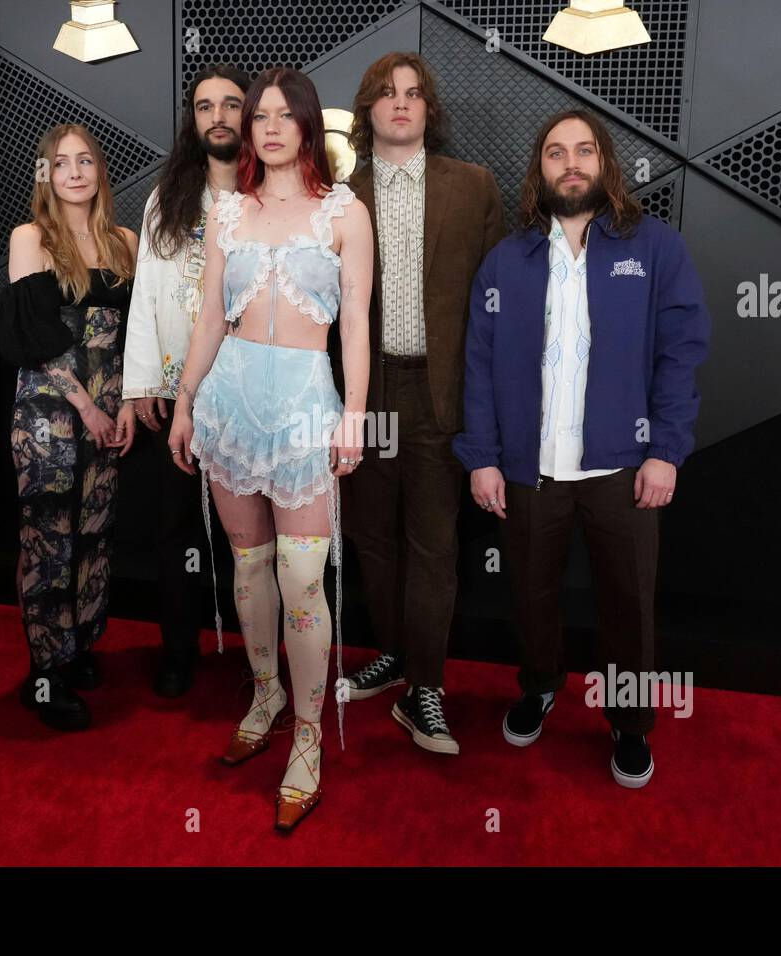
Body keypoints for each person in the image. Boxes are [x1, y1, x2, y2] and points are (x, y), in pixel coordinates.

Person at [453, 110, 710, 787]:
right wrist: (481, 456)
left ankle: (630, 724)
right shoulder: (507, 261)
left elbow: (680, 354)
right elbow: (477, 364)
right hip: (529, 469)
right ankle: (539, 686)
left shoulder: (654, 248)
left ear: (604, 163)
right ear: (540, 170)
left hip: (621, 468)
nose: (571, 163)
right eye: (556, 153)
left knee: (628, 604)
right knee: (531, 595)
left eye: (584, 151)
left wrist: (666, 450)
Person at [167, 67, 372, 831]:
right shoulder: (226, 212)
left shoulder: (346, 213)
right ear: (248, 130)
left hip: (302, 411)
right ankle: (266, 692)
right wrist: (185, 401)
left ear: (311, 125)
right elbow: (209, 320)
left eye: (288, 115)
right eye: (261, 117)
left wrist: (354, 413)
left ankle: (311, 740)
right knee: (248, 565)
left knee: (302, 578)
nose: (272, 127)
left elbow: (354, 322)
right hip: (229, 403)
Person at [336, 53, 506, 755]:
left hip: (441, 393)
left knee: (434, 548)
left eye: (412, 94)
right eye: (386, 94)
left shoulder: (473, 187)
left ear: (428, 110)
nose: (400, 104)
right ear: (367, 110)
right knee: (373, 540)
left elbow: (496, 307)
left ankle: (426, 688)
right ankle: (395, 654)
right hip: (364, 392)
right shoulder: (341, 196)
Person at [0, 124, 138, 732]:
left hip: (109, 413)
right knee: (49, 538)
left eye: (86, 161)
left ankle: (75, 646)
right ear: (45, 175)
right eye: (61, 163)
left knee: (95, 533)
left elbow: (139, 334)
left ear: (100, 171)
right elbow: (35, 337)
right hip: (50, 415)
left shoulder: (126, 241)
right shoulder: (31, 238)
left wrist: (128, 404)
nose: (75, 172)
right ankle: (44, 673)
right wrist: (88, 406)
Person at [117, 65, 250, 698]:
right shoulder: (163, 198)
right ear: (192, 119)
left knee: (251, 537)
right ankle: (178, 651)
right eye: (205, 107)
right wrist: (140, 381)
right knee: (174, 533)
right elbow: (144, 295)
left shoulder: (268, 194)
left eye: (231, 104)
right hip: (178, 397)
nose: (218, 116)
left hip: (252, 395)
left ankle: (260, 661)